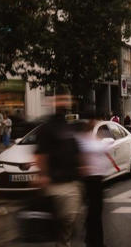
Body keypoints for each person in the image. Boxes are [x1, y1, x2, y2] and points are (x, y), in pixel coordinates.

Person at [34, 95, 82, 247]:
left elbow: (76, 150)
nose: (63, 103)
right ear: (52, 104)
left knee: (69, 219)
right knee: (60, 222)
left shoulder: (69, 126)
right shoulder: (47, 127)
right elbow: (40, 154)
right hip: (55, 184)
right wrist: (43, 175)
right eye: (59, 100)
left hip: (71, 182)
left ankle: (63, 242)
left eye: (65, 100)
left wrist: (81, 167)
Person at [77, 118, 112, 247]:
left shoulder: (89, 139)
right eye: (93, 122)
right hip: (92, 180)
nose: (94, 124)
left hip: (96, 179)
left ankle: (92, 239)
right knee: (95, 212)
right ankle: (95, 241)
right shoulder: (84, 141)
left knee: (95, 212)